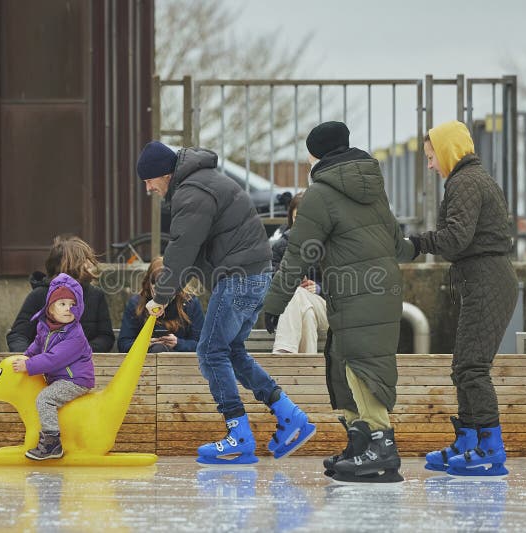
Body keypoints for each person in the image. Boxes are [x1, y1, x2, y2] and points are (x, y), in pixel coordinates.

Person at [136, 140, 315, 465]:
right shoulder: (201, 183)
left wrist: (160, 297)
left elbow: (181, 250)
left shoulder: (191, 193)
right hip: (253, 274)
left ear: (164, 173)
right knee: (231, 351)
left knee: (209, 351)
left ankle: (239, 436)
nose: (149, 188)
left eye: (149, 180)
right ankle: (291, 416)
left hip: (239, 277)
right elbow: (193, 251)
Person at [263, 121, 415, 483]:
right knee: (341, 363)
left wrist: (274, 303)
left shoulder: (319, 193)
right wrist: (421, 245)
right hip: (379, 288)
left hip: (357, 291)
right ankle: (361, 441)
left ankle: (381, 446)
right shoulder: (374, 188)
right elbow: (397, 244)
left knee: (361, 367)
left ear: (317, 154)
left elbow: (297, 254)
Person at [409, 120, 517, 477]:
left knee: (472, 368)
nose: (429, 165)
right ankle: (468, 442)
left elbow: (455, 238)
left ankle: (490, 449)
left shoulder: (465, 181)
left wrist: (416, 243)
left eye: (431, 156)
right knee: (463, 367)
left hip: (488, 279)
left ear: (447, 151)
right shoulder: (470, 179)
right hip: (482, 278)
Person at [12, 273, 95, 460]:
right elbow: (37, 345)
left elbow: (54, 359)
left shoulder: (75, 335)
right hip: (59, 377)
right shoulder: (45, 326)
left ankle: (52, 443)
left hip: (75, 380)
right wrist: (26, 356)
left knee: (45, 399)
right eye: (62, 304)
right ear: (50, 308)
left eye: (72, 305)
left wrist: (29, 365)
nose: (68, 309)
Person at [7, 235, 115, 353]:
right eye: (84, 260)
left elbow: (105, 337)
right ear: (69, 265)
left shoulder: (95, 295)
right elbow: (18, 335)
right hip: (42, 366)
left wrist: (78, 352)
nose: (89, 265)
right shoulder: (39, 295)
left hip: (82, 366)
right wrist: (30, 359)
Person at [269, 192, 328, 354]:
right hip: (296, 308)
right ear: (291, 219)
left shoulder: (329, 246)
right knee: (306, 314)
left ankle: (282, 352)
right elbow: (270, 283)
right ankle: (307, 375)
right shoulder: (281, 246)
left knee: (297, 295)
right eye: (297, 219)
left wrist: (319, 288)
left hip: (328, 309)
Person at [117, 256, 205, 353]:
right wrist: (144, 344)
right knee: (157, 349)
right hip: (145, 362)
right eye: (155, 285)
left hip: (179, 363)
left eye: (166, 287)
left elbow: (202, 345)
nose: (160, 291)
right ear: (148, 283)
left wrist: (178, 343)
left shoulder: (190, 303)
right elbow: (123, 344)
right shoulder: (136, 304)